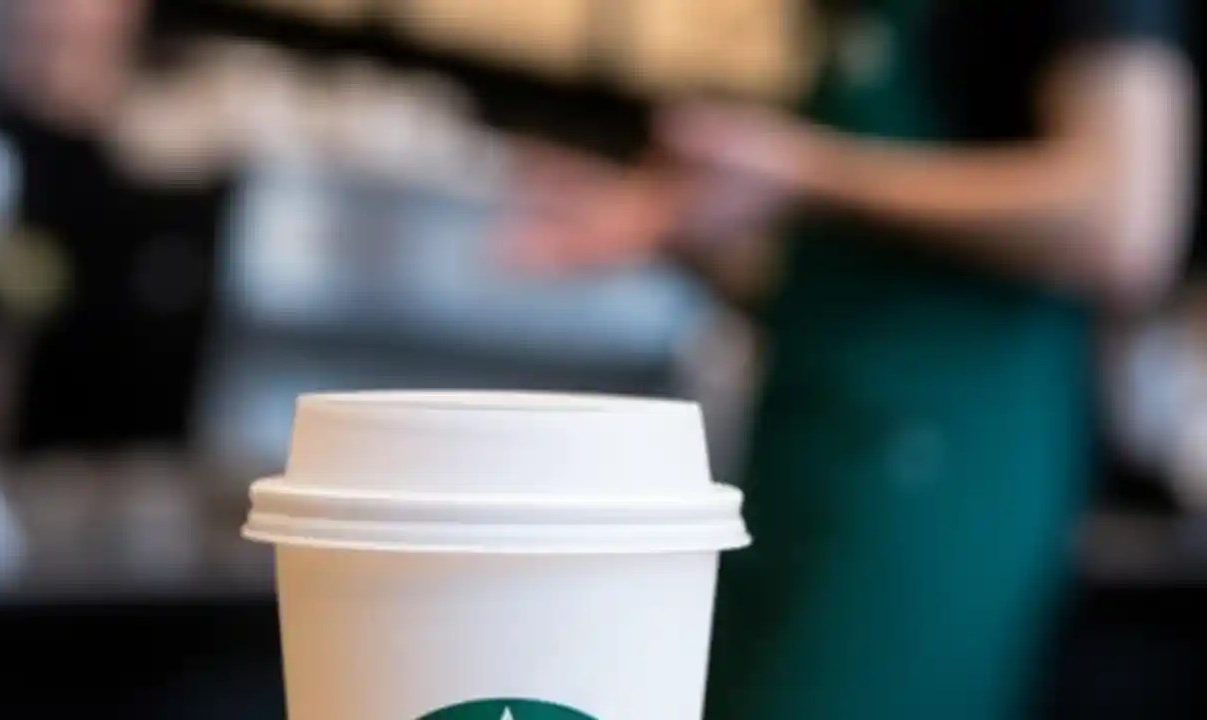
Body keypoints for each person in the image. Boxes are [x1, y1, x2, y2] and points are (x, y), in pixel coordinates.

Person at [501, 0, 1196, 717]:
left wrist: (802, 169)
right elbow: (845, 284)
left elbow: (1121, 224)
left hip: (934, 478)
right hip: (803, 461)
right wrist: (684, 232)